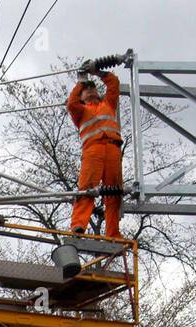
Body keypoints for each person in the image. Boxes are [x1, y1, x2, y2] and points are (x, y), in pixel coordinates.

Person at [66, 57, 124, 237]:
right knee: (87, 189)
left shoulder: (108, 104)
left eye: (92, 88)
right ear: (81, 96)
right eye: (86, 90)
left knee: (114, 193)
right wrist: (81, 82)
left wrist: (97, 72)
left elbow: (113, 82)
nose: (90, 91)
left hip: (113, 150)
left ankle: (113, 233)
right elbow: (71, 104)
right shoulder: (80, 111)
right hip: (93, 151)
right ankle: (78, 226)